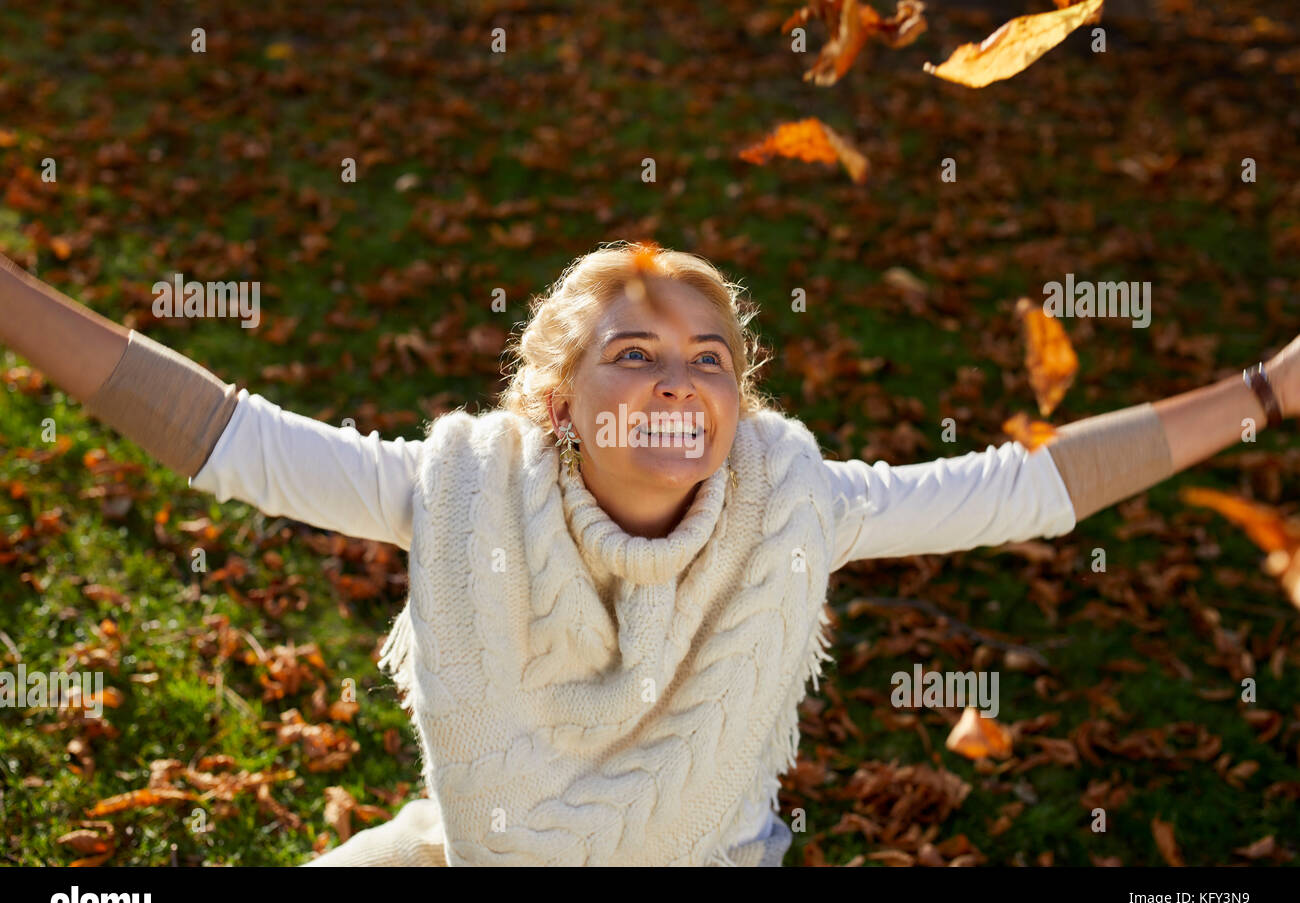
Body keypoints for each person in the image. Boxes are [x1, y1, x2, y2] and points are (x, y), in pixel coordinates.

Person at [1, 240, 1295, 866]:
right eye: (635, 353)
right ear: (555, 404)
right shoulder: (452, 490)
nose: (681, 380)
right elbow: (222, 435)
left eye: (710, 360)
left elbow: (1036, 486)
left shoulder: (801, 501)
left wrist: (1267, 392)